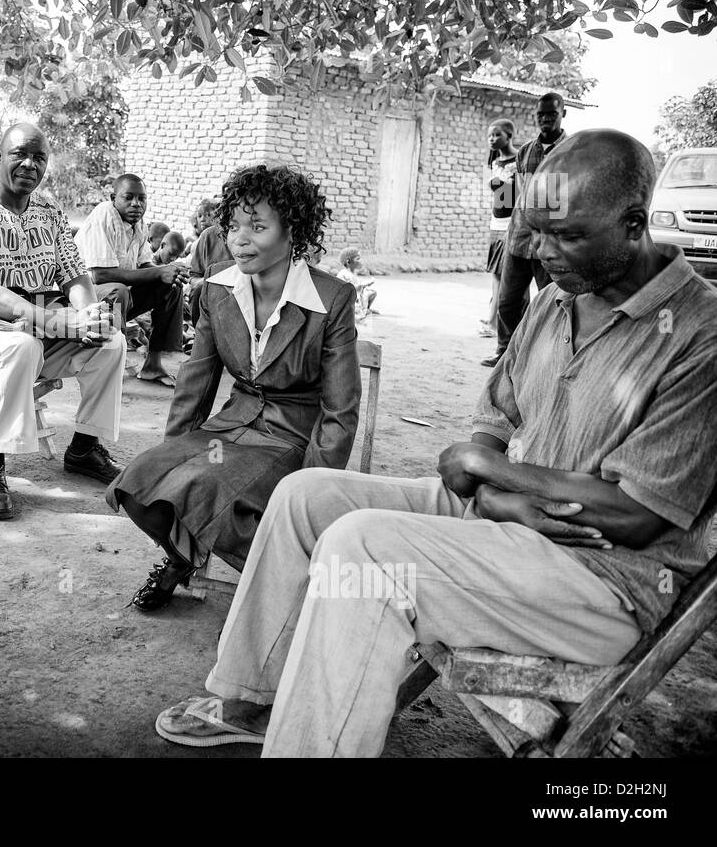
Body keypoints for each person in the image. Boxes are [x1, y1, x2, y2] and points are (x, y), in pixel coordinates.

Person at [153, 130, 717, 755]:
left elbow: (635, 515)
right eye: (535, 229)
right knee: (303, 497)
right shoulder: (558, 298)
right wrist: (497, 489)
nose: (540, 252)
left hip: (599, 579)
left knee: (361, 552)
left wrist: (488, 471)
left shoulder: (700, 333)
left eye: (568, 236)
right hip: (503, 520)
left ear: (635, 224)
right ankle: (253, 699)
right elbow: (496, 420)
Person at [108, 162, 360, 611]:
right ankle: (182, 554)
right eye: (234, 225)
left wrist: (310, 493)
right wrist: (176, 453)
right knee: (143, 480)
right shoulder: (218, 288)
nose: (240, 238)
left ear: (292, 232)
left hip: (292, 436)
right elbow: (197, 377)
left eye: (258, 226)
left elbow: (341, 411)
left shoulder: (331, 299)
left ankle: (280, 593)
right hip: (232, 425)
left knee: (210, 490)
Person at [0, 123, 126, 520]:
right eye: (19, 154)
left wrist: (88, 316)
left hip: (41, 330)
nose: (29, 164)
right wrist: (64, 325)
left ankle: (84, 448)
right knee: (20, 346)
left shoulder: (49, 212)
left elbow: (75, 274)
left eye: (39, 157)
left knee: (111, 341)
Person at [75, 173, 187, 387]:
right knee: (118, 291)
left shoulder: (139, 225)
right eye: (128, 197)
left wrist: (169, 271)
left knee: (170, 285)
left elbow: (146, 265)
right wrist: (160, 271)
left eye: (142, 198)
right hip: (82, 300)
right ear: (113, 198)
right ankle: (110, 365)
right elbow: (100, 275)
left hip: (111, 299)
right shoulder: (104, 215)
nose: (136, 204)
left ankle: (153, 366)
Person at [483, 93, 567, 367]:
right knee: (508, 301)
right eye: (541, 114)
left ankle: (546, 358)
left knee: (550, 301)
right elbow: (516, 195)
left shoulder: (571, 150)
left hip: (551, 240)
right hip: (520, 236)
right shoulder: (526, 151)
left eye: (551, 114)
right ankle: (506, 353)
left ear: (562, 114)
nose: (545, 119)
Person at [481, 120, 520, 339]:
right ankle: (492, 319)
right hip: (496, 224)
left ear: (509, 135)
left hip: (511, 225)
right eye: (490, 136)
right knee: (496, 275)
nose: (492, 139)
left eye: (497, 135)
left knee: (508, 277)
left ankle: (498, 322)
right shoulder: (496, 162)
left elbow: (520, 194)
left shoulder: (519, 161)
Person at [186, 201, 234, 327]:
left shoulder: (250, 237)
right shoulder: (208, 236)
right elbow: (193, 276)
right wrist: (206, 281)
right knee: (198, 290)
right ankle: (200, 335)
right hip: (212, 293)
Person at [336, 247, 378, 320]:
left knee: (372, 292)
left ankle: (366, 308)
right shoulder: (344, 273)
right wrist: (365, 284)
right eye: (358, 259)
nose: (361, 261)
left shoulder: (352, 273)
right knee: (363, 297)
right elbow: (352, 288)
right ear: (348, 262)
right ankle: (362, 310)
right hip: (346, 300)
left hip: (354, 297)